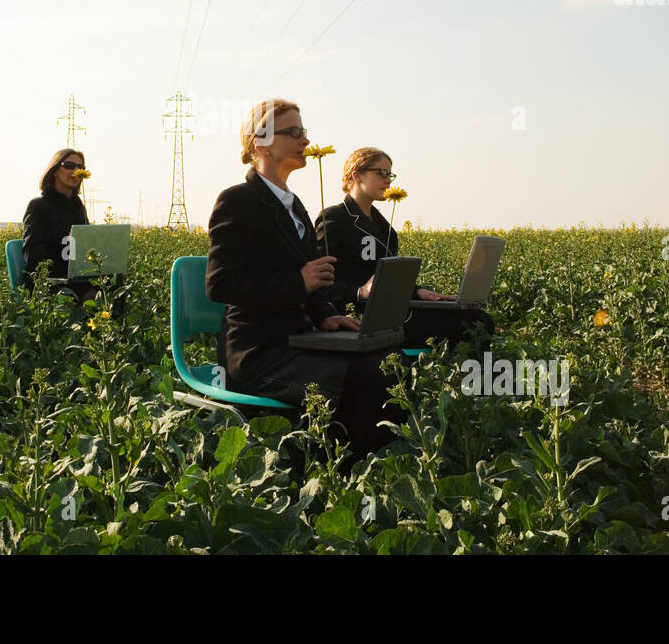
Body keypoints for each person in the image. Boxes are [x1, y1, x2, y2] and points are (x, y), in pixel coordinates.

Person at [205, 99, 400, 459]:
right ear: (260, 143)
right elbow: (221, 284)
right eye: (294, 132)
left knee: (390, 362)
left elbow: (310, 283)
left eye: (304, 132)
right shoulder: (237, 201)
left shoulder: (294, 205)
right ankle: (342, 477)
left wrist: (325, 314)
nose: (305, 141)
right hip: (256, 353)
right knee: (366, 377)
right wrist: (299, 282)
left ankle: (371, 470)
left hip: (296, 340)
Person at [315, 148, 494, 353]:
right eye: (381, 173)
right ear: (356, 175)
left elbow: (389, 279)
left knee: (480, 318)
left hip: (393, 310)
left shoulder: (385, 227)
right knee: (466, 324)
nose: (388, 180)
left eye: (389, 174)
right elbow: (321, 283)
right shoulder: (334, 218)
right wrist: (359, 292)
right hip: (359, 315)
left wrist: (418, 291)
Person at [22, 149, 96, 298]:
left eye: (80, 167)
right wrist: (64, 247)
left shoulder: (78, 207)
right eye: (69, 165)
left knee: (116, 285)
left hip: (76, 278)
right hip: (50, 282)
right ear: (55, 170)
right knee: (93, 295)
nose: (76, 171)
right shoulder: (39, 206)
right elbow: (32, 256)